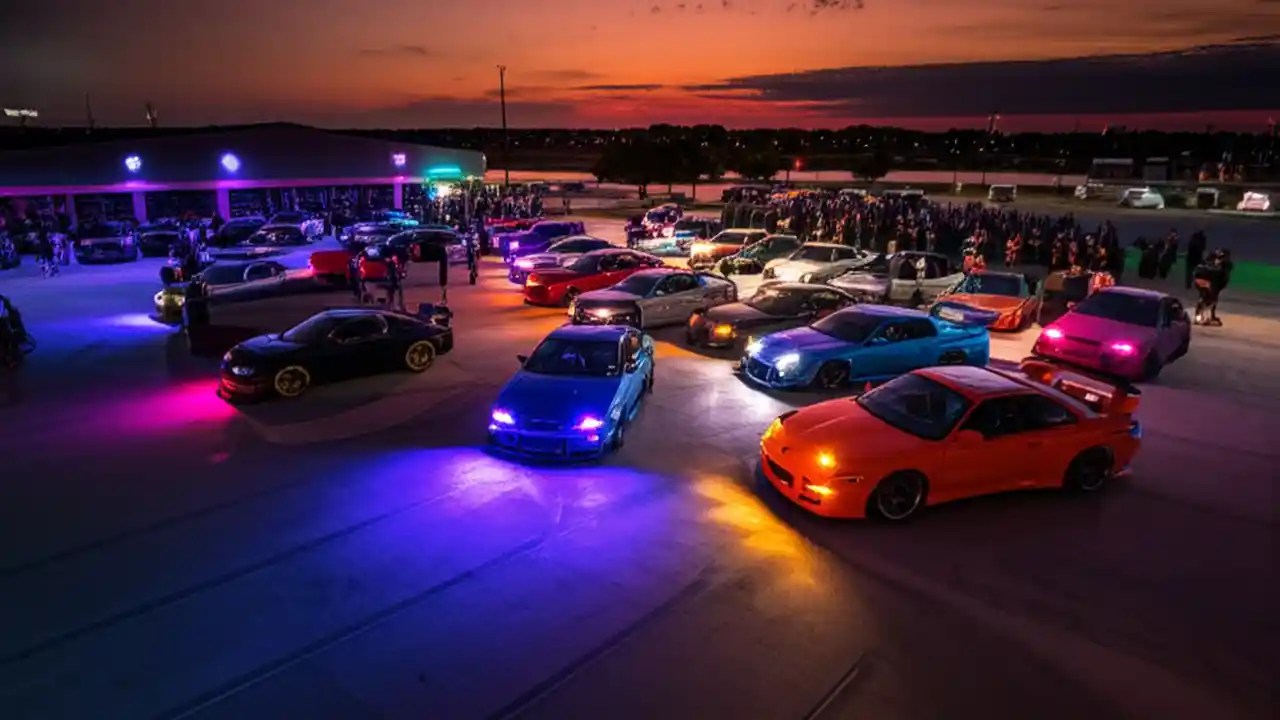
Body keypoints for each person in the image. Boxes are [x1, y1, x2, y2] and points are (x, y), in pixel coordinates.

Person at [1192, 250, 1228, 326]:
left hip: (1210, 283)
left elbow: (1222, 279)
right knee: (1205, 297)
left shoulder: (1221, 267)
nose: (1221, 260)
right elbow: (1199, 273)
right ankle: (1198, 317)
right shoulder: (1208, 265)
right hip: (1204, 281)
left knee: (1211, 299)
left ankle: (1209, 316)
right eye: (1219, 258)